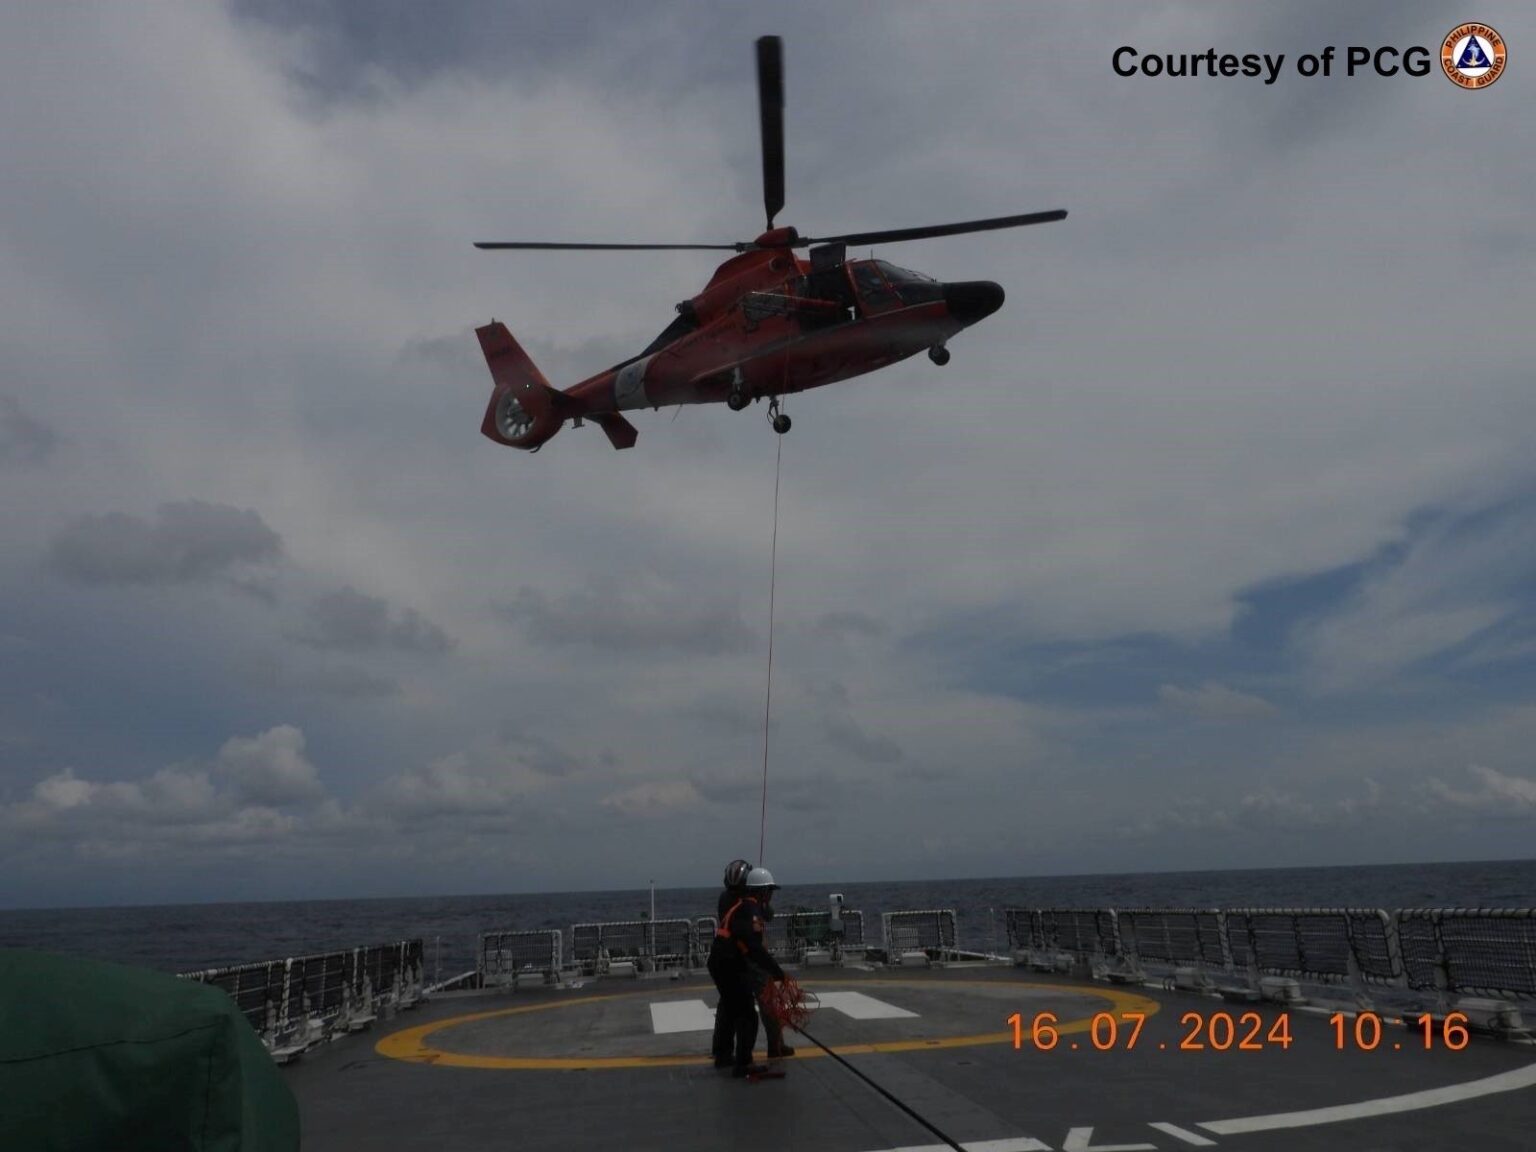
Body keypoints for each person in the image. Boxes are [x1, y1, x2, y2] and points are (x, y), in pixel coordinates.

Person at [708, 865, 786, 1077]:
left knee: (733, 1009)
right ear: (762, 892)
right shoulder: (749, 910)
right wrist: (778, 972)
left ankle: (725, 1055)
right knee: (747, 1015)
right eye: (769, 892)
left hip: (725, 962)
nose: (770, 896)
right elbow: (754, 948)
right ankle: (744, 1064)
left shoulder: (737, 903)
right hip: (729, 964)